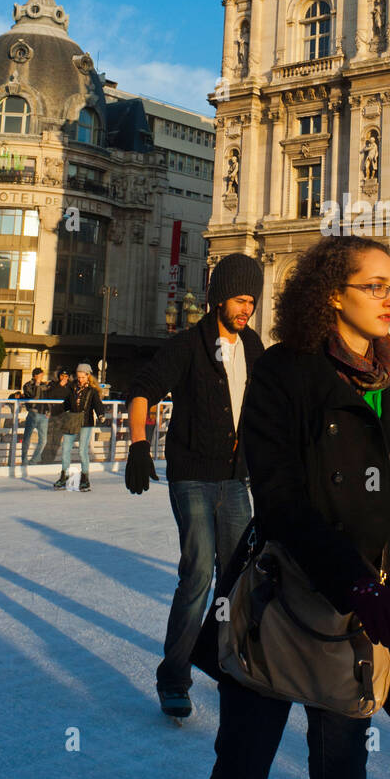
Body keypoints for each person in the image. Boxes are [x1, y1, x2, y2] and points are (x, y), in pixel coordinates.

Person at [176, 234, 390, 779]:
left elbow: (373, 512)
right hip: (279, 605)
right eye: (375, 286)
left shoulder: (388, 388)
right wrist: (352, 581)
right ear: (332, 294)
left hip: (357, 618)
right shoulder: (282, 372)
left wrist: (377, 587)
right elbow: (279, 499)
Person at [125, 253, 265, 719]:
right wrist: (140, 445)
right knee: (200, 572)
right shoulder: (188, 345)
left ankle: (234, 662)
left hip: (234, 480)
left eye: (253, 300)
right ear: (218, 297)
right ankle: (174, 677)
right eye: (241, 299)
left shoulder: (254, 348)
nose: (247, 308)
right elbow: (144, 387)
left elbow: (271, 407)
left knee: (240, 576)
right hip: (191, 478)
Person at [53, 363, 104, 492]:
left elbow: (97, 404)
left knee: (82, 450)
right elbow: (66, 404)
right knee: (65, 449)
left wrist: (101, 414)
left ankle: (85, 478)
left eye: (83, 377)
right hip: (72, 420)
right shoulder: (72, 388)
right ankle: (63, 476)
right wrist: (55, 412)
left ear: (88, 376)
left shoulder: (92, 391)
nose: (80, 379)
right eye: (79, 377)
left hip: (86, 422)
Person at [40, 367, 71, 464]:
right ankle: (45, 458)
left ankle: (50, 459)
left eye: (66, 376)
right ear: (59, 376)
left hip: (64, 416)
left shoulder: (70, 386)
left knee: (57, 439)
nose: (64, 378)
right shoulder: (53, 384)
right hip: (53, 415)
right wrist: (60, 386)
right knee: (49, 438)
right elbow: (50, 396)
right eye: (62, 376)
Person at [21, 367, 51, 464]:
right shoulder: (27, 385)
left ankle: (34, 460)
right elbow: (35, 397)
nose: (42, 377)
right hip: (33, 414)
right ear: (35, 376)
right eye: (40, 375)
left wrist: (49, 411)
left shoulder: (45, 386)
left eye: (43, 375)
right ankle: (24, 459)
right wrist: (37, 384)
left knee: (43, 440)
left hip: (43, 415)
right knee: (27, 437)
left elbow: (48, 398)